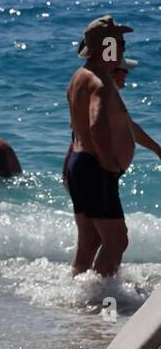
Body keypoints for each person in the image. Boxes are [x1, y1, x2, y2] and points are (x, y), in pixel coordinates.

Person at [64, 15, 134, 276]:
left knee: (90, 240)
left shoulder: (79, 77)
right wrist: (107, 162)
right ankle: (101, 298)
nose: (123, 49)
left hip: (79, 164)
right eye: (119, 44)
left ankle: (78, 294)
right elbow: (96, 125)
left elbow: (77, 127)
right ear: (106, 46)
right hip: (94, 166)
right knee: (117, 240)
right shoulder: (101, 83)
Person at [113, 59, 161, 159]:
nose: (127, 73)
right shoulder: (105, 95)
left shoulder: (110, 94)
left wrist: (157, 150)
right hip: (96, 163)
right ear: (112, 72)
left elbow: (129, 126)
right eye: (124, 71)